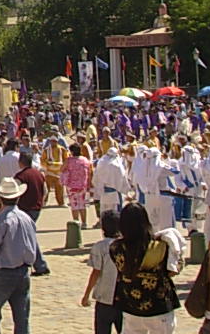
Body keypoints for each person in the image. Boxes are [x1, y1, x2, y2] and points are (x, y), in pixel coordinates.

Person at [109, 202, 180, 334]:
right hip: (159, 304)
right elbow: (174, 270)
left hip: (130, 304)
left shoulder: (116, 248)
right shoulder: (159, 247)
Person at [0, 177, 39, 334]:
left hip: (4, 272)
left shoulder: (0, 221)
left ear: (1, 198)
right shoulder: (27, 219)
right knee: (22, 318)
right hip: (23, 271)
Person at [80, 210, 123, 334]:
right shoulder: (126, 245)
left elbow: (96, 272)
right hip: (123, 298)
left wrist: (86, 294)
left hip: (104, 298)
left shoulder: (100, 247)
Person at [13, 151, 51, 277]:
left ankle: (40, 265)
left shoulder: (20, 176)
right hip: (36, 208)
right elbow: (45, 190)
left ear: (20, 162)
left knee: (28, 236)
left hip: (24, 209)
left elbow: (15, 194)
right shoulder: (39, 174)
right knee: (27, 235)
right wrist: (42, 202)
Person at [62, 142, 94, 225]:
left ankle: (76, 223)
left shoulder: (69, 160)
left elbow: (62, 169)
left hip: (71, 186)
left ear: (72, 151)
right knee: (82, 204)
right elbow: (90, 172)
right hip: (83, 185)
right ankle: (84, 222)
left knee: (74, 205)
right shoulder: (85, 160)